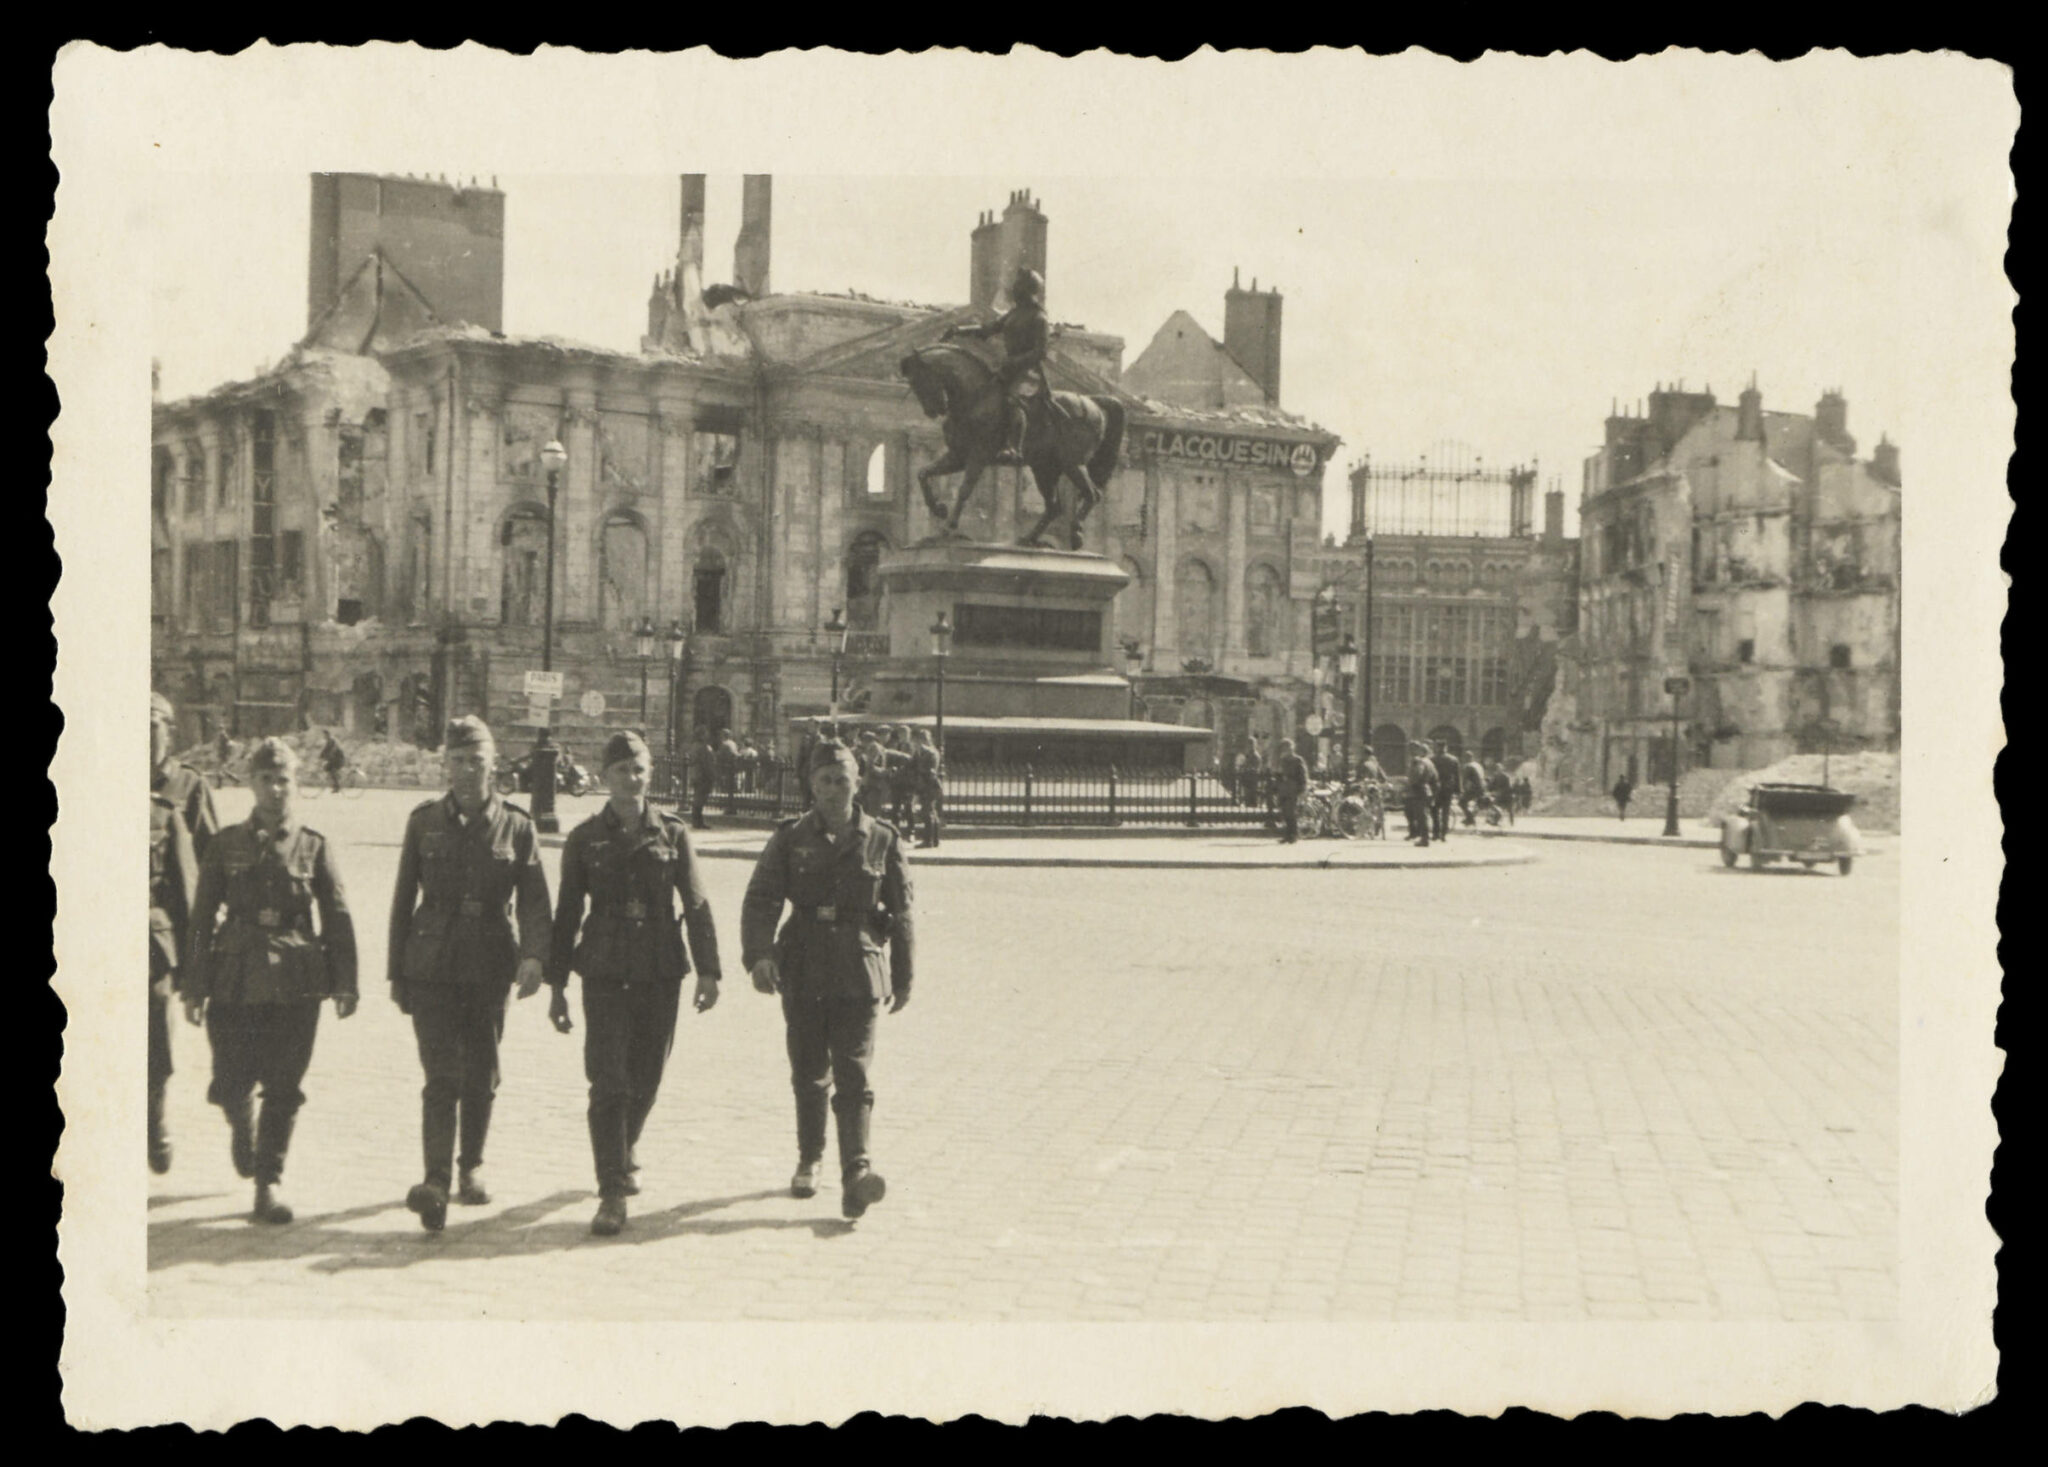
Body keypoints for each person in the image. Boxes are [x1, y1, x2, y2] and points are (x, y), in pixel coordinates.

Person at [548, 731, 724, 1236]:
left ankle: (624, 1148)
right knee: (608, 1079)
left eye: (640, 769)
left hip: (658, 965)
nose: (632, 778)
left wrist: (708, 970)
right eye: (622, 770)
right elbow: (566, 914)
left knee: (646, 1076)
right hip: (603, 966)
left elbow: (695, 902)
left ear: (651, 774)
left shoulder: (673, 833)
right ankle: (611, 1191)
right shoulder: (584, 839)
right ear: (604, 778)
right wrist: (557, 986)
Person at [182, 738, 357, 1224]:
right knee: (231, 1078)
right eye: (266, 779)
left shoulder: (314, 845)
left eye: (284, 780)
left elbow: (336, 914)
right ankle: (242, 1123)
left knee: (284, 1084)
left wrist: (345, 982)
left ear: (295, 784)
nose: (276, 789)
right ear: (251, 784)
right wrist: (194, 986)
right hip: (234, 977)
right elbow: (200, 921)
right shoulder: (225, 845)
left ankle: (268, 1182)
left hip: (297, 981)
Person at [388, 717, 552, 1232]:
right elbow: (401, 902)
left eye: (475, 761)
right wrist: (397, 972)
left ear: (493, 764)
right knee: (440, 1075)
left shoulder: (517, 826)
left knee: (481, 1072)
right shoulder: (423, 822)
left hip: (488, 963)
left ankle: (471, 1167)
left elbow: (534, 901)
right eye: (457, 760)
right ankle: (434, 1180)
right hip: (431, 964)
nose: (465, 771)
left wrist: (533, 957)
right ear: (445, 765)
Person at [742, 740, 915, 1218]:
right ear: (811, 786)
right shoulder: (790, 838)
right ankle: (810, 1158)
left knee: (854, 1073)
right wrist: (758, 956)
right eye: (825, 781)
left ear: (858, 783)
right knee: (809, 1071)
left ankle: (857, 1173)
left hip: (860, 971)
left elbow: (901, 914)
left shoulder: (881, 838)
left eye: (843, 780)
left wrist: (903, 976)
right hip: (802, 963)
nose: (834, 790)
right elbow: (762, 898)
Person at [151, 692, 218, 1173]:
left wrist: (201, 954)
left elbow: (207, 871)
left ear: (169, 733)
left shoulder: (188, 786)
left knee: (156, 1027)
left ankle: (153, 1121)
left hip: (160, 934)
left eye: (152, 726)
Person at [942, 265, 1050, 466]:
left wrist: (1014, 361)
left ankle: (1013, 447)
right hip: (1010, 370)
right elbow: (987, 330)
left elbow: (1040, 353)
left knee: (1012, 399)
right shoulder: (1013, 315)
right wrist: (959, 330)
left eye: (1019, 286)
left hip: (1029, 374)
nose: (1014, 290)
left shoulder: (1039, 318)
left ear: (1028, 290)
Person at [909, 727, 944, 848]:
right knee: (931, 812)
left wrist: (920, 773)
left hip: (930, 786)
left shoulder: (931, 753)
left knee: (927, 812)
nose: (916, 743)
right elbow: (912, 765)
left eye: (918, 740)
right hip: (925, 785)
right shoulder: (921, 752)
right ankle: (934, 840)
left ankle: (928, 840)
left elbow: (931, 771)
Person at [1273, 738, 1310, 844]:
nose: (1286, 750)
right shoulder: (1283, 760)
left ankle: (1294, 834)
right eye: (1284, 748)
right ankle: (1287, 834)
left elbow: (1302, 775)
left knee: (1291, 812)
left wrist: (1302, 788)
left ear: (1292, 748)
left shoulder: (1298, 760)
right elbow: (1278, 774)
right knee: (1284, 813)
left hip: (1293, 788)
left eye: (1288, 747)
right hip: (1283, 789)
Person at [1405, 742, 1437, 847]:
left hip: (1418, 790)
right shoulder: (1430, 762)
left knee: (1421, 816)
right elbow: (1435, 777)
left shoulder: (1421, 762)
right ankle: (1424, 837)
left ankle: (1425, 839)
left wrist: (1410, 782)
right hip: (1426, 790)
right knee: (1422, 816)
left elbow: (1417, 774)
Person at [687, 727, 717, 830]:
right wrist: (712, 776)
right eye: (705, 734)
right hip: (703, 776)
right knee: (700, 799)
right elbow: (707, 764)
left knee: (697, 798)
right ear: (701, 735)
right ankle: (698, 821)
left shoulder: (693, 746)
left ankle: (697, 821)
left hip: (695, 775)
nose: (707, 736)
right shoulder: (704, 748)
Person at [1430, 741, 1460, 842]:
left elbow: (1431, 775)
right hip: (1448, 788)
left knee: (1434, 811)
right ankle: (1444, 834)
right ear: (1446, 747)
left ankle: (1435, 833)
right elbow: (1457, 776)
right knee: (1446, 812)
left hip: (1436, 788)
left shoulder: (1432, 759)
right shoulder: (1453, 759)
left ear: (1437, 747)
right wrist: (1458, 790)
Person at [715, 727, 740, 814]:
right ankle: (731, 807)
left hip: (726, 767)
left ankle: (728, 807)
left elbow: (719, 755)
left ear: (724, 736)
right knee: (731, 789)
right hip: (733, 767)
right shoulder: (733, 743)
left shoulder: (724, 744)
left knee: (727, 787)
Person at [1460, 754, 1488, 827]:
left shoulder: (1468, 766)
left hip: (1475, 788)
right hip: (1482, 787)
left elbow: (1465, 780)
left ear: (1466, 758)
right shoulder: (1478, 765)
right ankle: (1471, 818)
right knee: (1477, 803)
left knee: (1461, 802)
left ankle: (1470, 819)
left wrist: (1462, 789)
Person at [1487, 761, 1515, 827]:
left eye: (1499, 768)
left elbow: (1509, 787)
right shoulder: (1496, 777)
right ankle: (1495, 821)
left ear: (1502, 769)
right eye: (1497, 768)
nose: (1498, 770)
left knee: (1510, 810)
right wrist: (1490, 790)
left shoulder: (1506, 777)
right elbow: (1491, 786)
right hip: (1500, 796)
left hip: (1507, 796)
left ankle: (1512, 824)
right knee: (1495, 807)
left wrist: (1499, 792)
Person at [320, 729, 348, 794]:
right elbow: (325, 750)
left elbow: (332, 750)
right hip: (335, 758)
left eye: (324, 735)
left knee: (331, 770)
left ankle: (337, 786)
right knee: (327, 768)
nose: (323, 737)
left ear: (327, 735)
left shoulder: (332, 741)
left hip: (339, 759)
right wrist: (321, 756)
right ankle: (335, 782)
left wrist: (324, 756)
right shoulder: (329, 741)